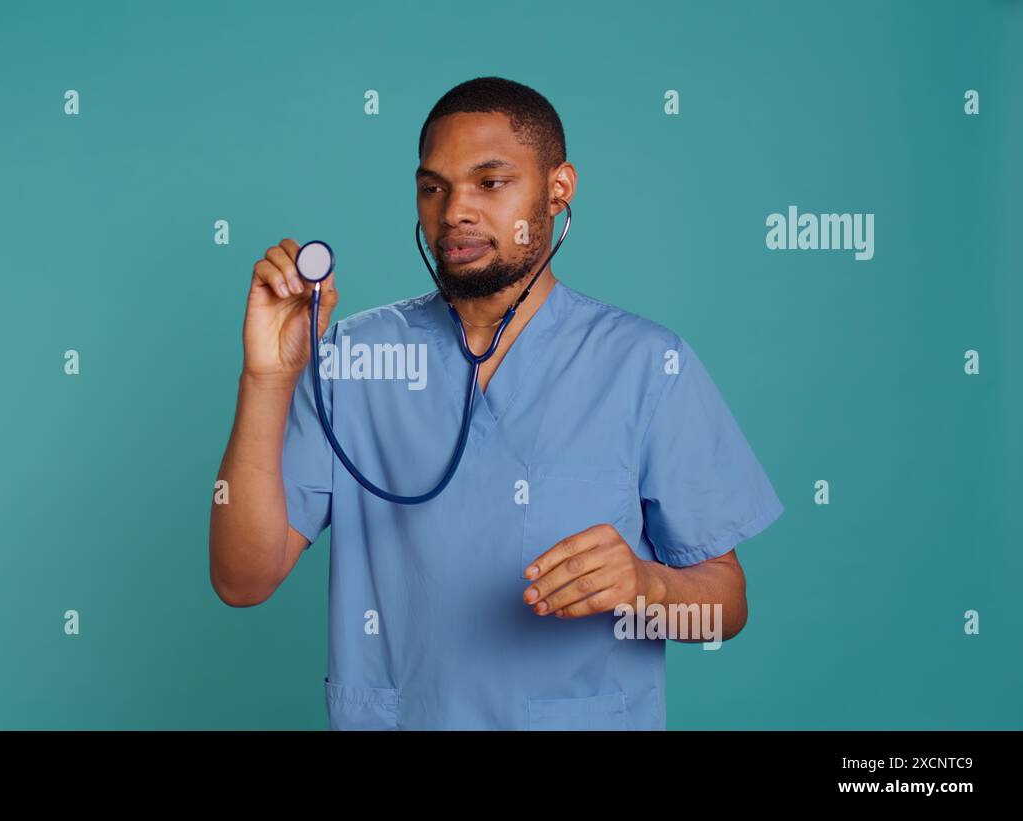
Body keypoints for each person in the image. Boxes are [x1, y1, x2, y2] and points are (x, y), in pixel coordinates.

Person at [209, 76, 784, 730]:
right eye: (434, 187)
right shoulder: (351, 359)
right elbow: (242, 580)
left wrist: (648, 587)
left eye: (491, 182)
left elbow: (724, 609)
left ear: (558, 190)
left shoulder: (649, 365)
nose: (456, 210)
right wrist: (266, 377)